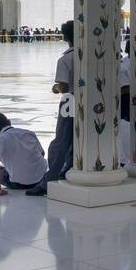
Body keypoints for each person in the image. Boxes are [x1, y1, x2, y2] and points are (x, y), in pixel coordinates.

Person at [47, 21, 75, 181]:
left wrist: (56, 88)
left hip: (70, 100)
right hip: (87, 100)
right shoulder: (87, 55)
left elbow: (63, 87)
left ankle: (52, 174)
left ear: (66, 38)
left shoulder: (65, 59)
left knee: (62, 137)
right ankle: (69, 167)